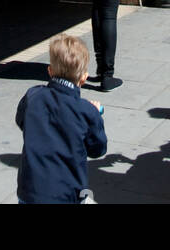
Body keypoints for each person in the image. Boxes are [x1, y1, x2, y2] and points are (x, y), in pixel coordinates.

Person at [15, 34, 107, 205]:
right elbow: (98, 149)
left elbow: (21, 121)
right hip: (67, 195)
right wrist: (96, 118)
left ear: (50, 71)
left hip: (30, 192)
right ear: (84, 78)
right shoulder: (86, 111)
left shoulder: (32, 96)